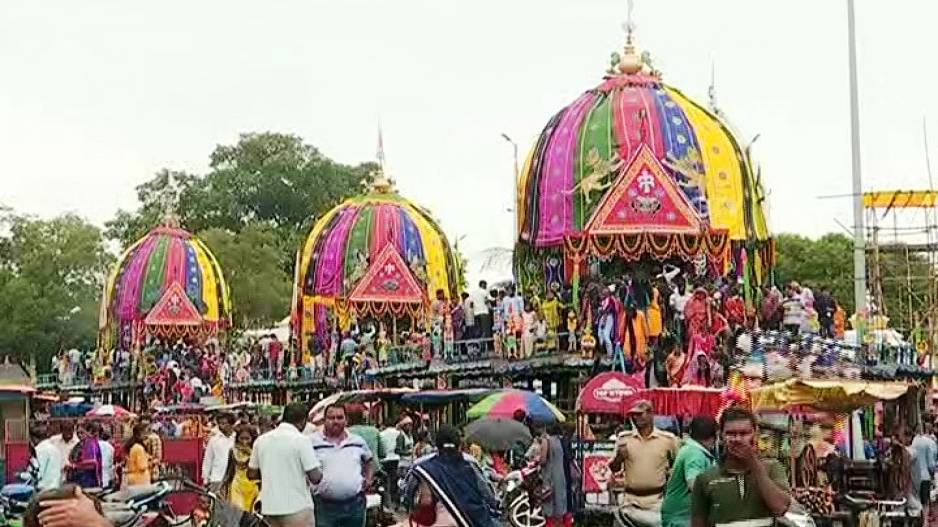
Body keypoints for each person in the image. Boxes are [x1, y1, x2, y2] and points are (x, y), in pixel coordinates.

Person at [691, 407, 791, 527]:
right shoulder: (705, 479)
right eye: (730, 434)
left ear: (755, 434)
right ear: (721, 436)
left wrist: (752, 462)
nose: (737, 439)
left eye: (744, 433)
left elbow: (780, 507)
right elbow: (698, 523)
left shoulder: (772, 468)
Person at [404, 425, 499, 527]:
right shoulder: (470, 463)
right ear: (459, 444)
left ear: (437, 445)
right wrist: (494, 505)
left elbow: (409, 491)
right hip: (473, 519)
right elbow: (486, 491)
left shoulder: (423, 466)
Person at [249, 402, 323, 527]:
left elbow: (251, 474)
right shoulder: (301, 440)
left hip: (270, 509)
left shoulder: (261, 440)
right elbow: (315, 477)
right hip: (298, 509)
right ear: (303, 421)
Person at [609, 400, 679, 525]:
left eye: (640, 414)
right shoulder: (624, 439)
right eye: (634, 415)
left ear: (651, 414)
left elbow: (678, 465)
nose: (636, 418)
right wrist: (619, 457)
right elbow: (614, 468)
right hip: (630, 503)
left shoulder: (668, 440)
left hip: (656, 503)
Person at [310, 404, 376, 527]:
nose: (335, 421)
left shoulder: (358, 441)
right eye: (331, 418)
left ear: (346, 420)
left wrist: (368, 479)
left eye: (340, 417)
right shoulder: (312, 442)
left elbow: (369, 460)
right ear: (324, 420)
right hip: (324, 507)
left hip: (354, 505)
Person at [661, 416, 717, 527]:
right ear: (714, 436)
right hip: (681, 519)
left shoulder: (691, 449)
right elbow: (695, 485)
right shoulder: (695, 454)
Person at [536, 423, 574, 527]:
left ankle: (550, 524)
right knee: (561, 499)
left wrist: (537, 461)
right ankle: (565, 522)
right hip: (561, 475)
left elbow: (543, 460)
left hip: (549, 475)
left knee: (548, 500)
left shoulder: (546, 441)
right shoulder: (562, 441)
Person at [222, 424, 260, 512]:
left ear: (253, 438)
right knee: (237, 513)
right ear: (237, 438)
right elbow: (229, 471)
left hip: (253, 487)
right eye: (241, 438)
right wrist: (223, 486)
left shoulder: (256, 452)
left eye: (247, 439)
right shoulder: (233, 451)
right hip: (237, 486)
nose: (244, 442)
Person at [380, 416, 415, 509]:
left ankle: (391, 501)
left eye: (410, 425)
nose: (410, 427)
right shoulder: (400, 435)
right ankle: (395, 501)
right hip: (399, 461)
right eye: (408, 425)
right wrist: (409, 452)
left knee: (390, 482)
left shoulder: (381, 434)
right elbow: (398, 450)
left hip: (387, 459)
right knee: (396, 481)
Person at [203, 413, 236, 492]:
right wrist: (205, 478)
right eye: (220, 424)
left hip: (234, 480)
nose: (221, 426)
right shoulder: (214, 440)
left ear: (231, 424)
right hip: (217, 478)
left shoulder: (236, 439)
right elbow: (208, 459)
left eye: (224, 423)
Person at [911, 423, 937, 519]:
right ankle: (925, 521)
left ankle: (918, 518)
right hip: (925, 475)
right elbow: (931, 464)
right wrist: (932, 472)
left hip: (913, 476)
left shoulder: (912, 443)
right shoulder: (928, 443)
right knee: (925, 500)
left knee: (915, 500)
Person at [70, 422, 103, 488]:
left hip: (88, 477)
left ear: (88, 431)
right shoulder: (80, 444)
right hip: (81, 477)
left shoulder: (90, 442)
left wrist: (75, 465)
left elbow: (92, 462)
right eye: (78, 433)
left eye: (82, 433)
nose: (79, 435)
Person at [33, 425, 65, 491]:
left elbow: (38, 473)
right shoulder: (56, 449)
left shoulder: (39, 449)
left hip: (44, 489)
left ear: (35, 438)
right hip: (56, 487)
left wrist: (21, 475)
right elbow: (61, 467)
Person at [138, 415, 163, 480]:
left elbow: (158, 457)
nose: (145, 427)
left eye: (147, 425)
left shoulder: (155, 438)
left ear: (151, 425)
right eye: (143, 425)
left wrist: (147, 464)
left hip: (151, 472)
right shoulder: (136, 437)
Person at [471, 281, 492, 347]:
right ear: (482, 285)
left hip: (476, 314)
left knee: (478, 331)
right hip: (484, 313)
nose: (486, 287)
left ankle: (478, 346)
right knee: (485, 331)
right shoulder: (484, 292)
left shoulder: (473, 293)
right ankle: (485, 346)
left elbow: (471, 305)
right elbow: (486, 301)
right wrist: (490, 304)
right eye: (485, 285)